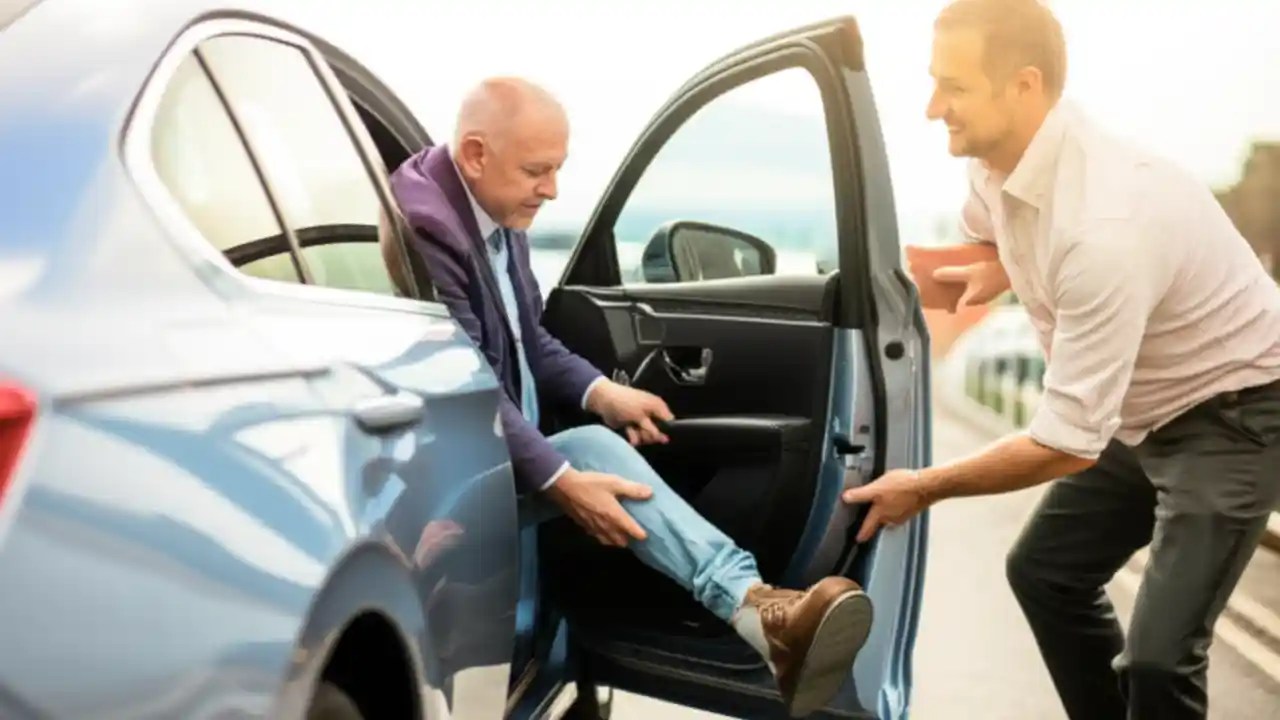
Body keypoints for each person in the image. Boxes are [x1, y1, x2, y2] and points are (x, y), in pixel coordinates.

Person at [842, 1, 1280, 718]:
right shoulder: (995, 166)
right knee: (1045, 571)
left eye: (954, 87)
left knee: (1159, 661)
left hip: (1235, 413)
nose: (932, 108)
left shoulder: (1107, 224)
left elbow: (1066, 444)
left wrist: (922, 486)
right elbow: (998, 236)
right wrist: (993, 267)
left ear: (1024, 86)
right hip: (1141, 406)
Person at [387, 76, 872, 717]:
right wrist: (561, 479)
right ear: (476, 154)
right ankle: (762, 617)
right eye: (538, 170)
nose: (551, 189)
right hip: (444, 475)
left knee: (597, 436)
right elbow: (469, 387)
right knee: (588, 452)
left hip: (494, 451)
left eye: (557, 169)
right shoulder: (428, 226)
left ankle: (762, 616)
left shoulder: (494, 204)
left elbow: (526, 336)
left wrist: (602, 392)